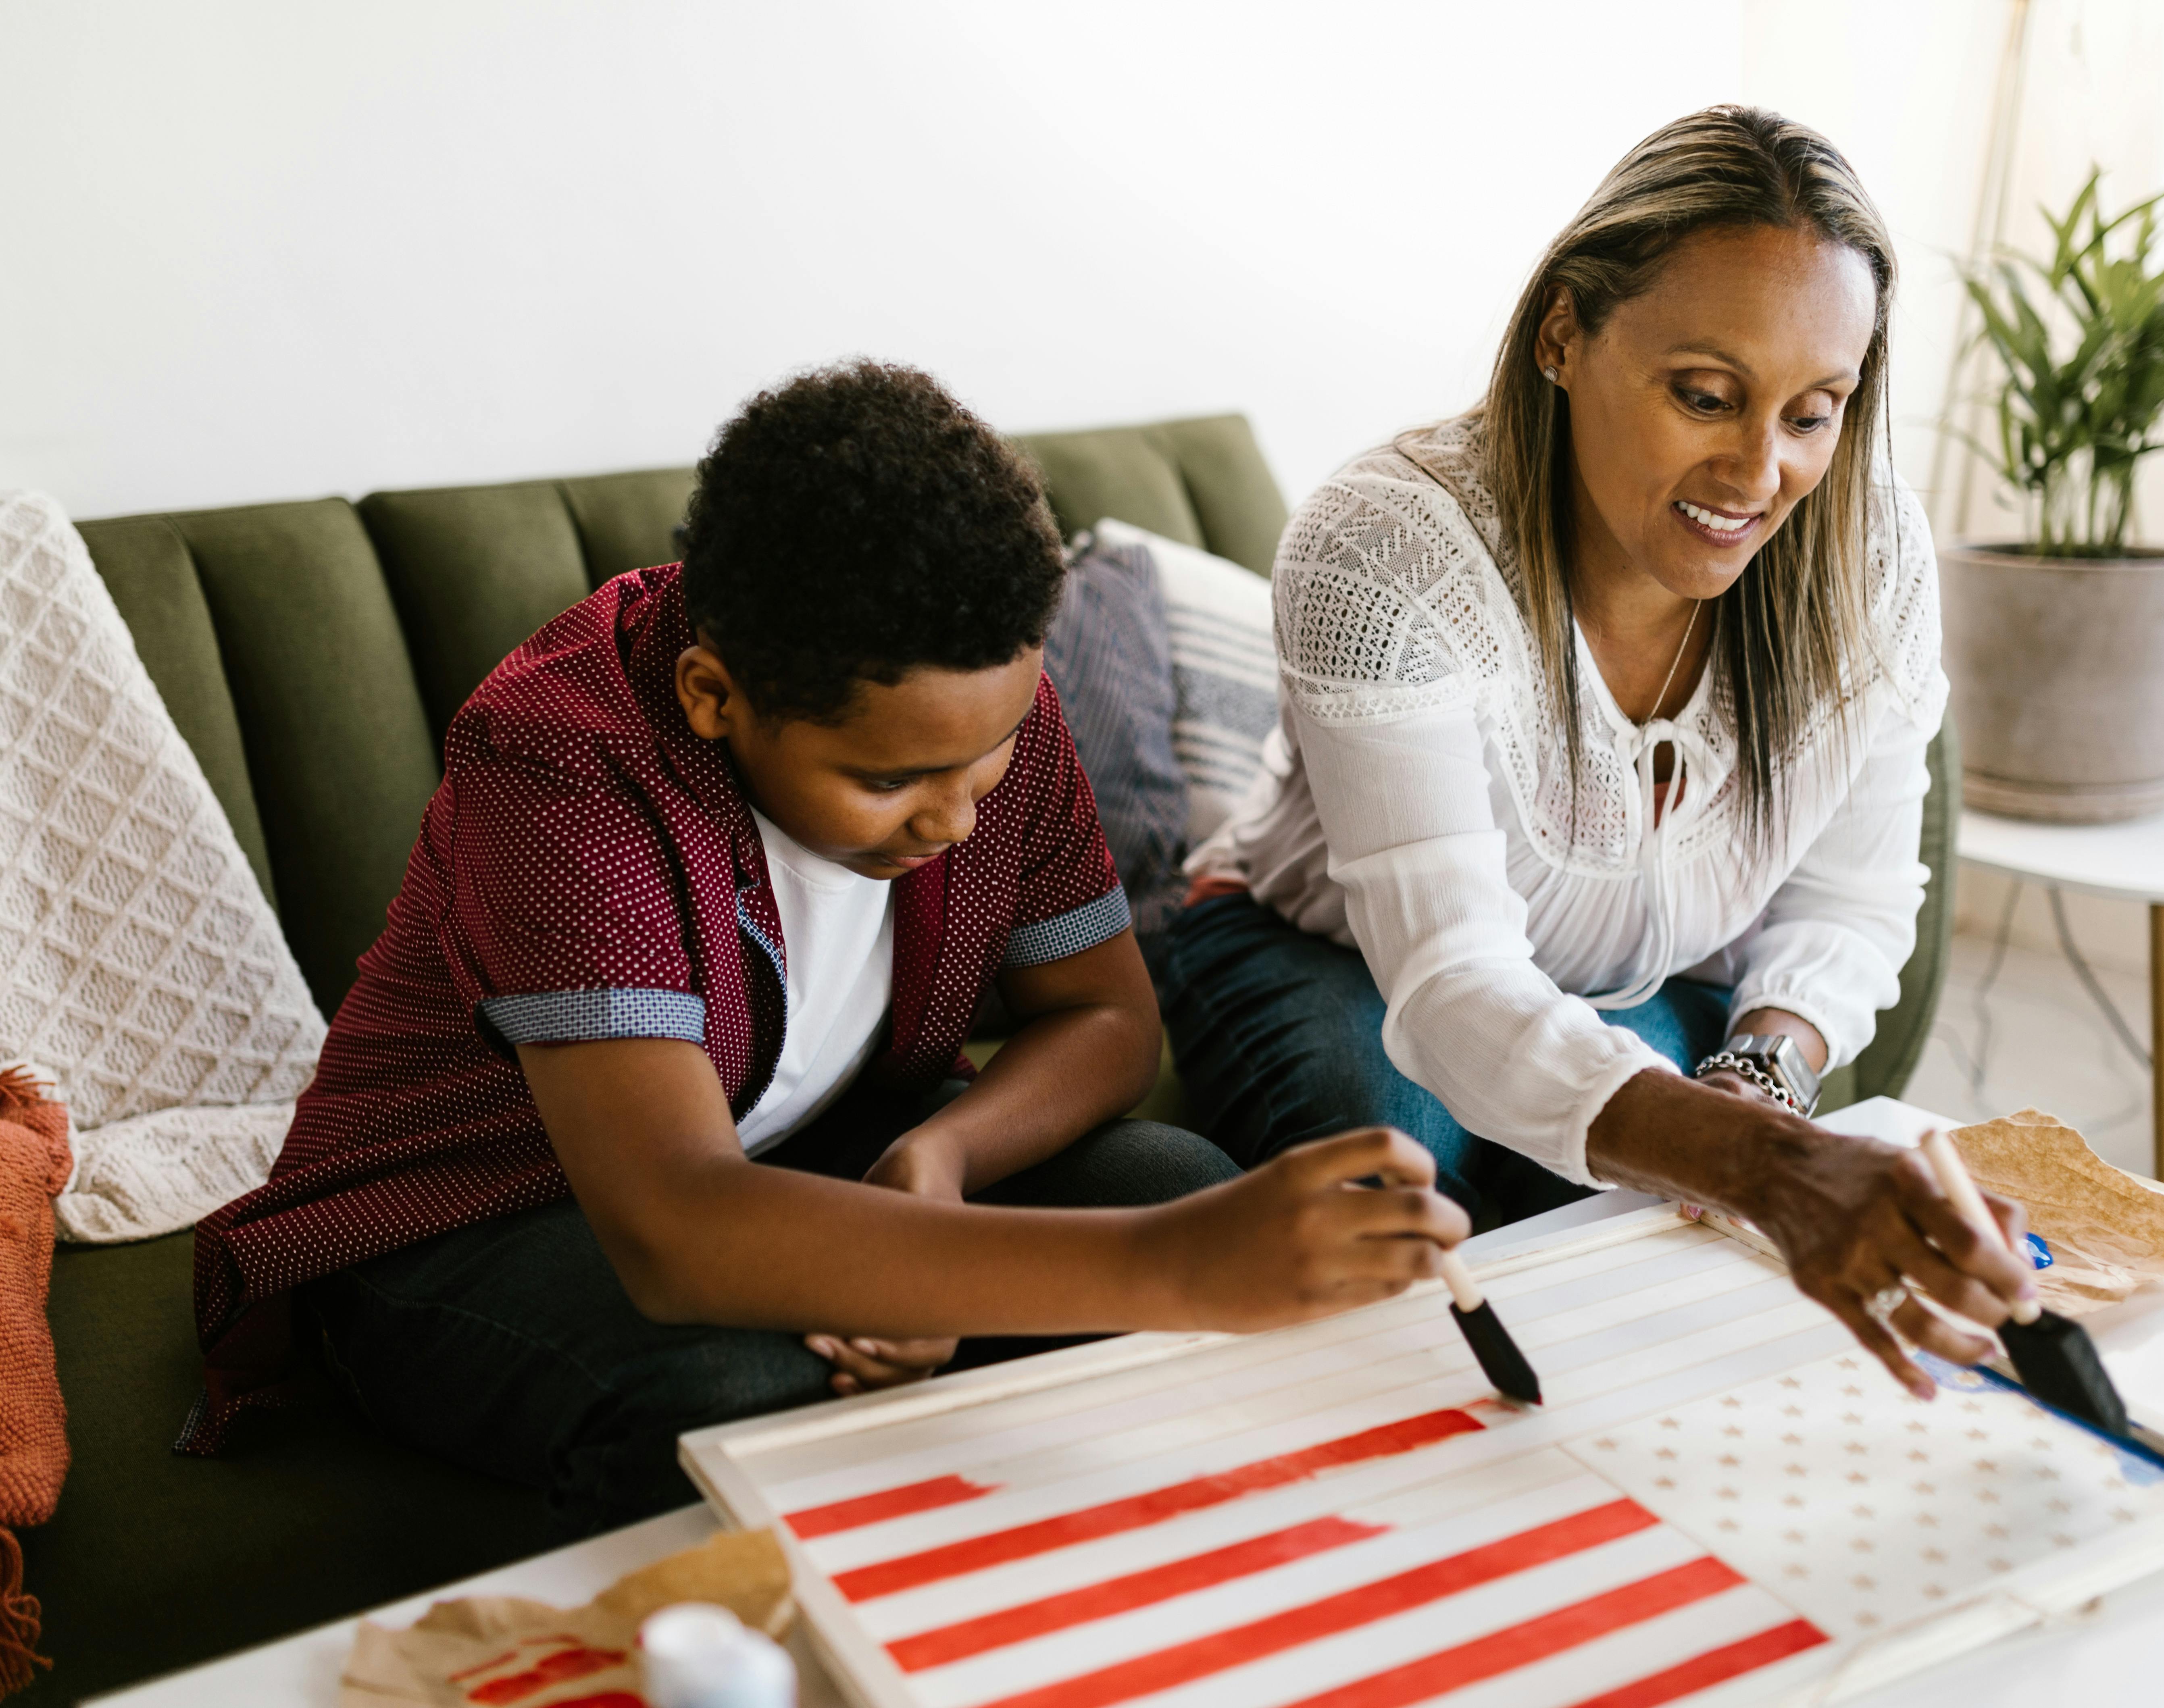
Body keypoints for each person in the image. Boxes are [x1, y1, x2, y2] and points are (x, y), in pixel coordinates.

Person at [183, 362, 1468, 1535]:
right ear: (711, 696)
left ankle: (1090, 1596)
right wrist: (1163, 1269)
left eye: (991, 754)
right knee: (749, 1380)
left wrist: (937, 1160)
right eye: (890, 778)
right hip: (476, 1214)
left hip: (818, 1147)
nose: (959, 813)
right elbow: (680, 1228)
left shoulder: (977, 710)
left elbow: (1106, 1020)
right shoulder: (561, 763)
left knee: (1171, 1171)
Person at [1165, 106, 2035, 1395]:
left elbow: (1851, 899)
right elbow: (1454, 986)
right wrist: (1761, 1163)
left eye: (1814, 411)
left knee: (1650, 1213)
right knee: (1398, 1148)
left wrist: (1759, 1077)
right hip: (1331, 958)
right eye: (1704, 395)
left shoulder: (1872, 552)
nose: (1759, 470)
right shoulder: (1386, 546)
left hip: (1651, 982)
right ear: (1565, 332)